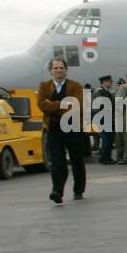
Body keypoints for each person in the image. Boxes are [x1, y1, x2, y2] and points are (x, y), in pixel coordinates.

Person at [36, 58, 87, 203]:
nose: (58, 70)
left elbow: (78, 105)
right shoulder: (44, 86)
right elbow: (41, 105)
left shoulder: (76, 86)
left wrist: (53, 106)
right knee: (57, 161)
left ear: (66, 70)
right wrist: (64, 104)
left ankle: (78, 190)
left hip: (73, 127)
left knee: (77, 160)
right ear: (51, 71)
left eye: (61, 67)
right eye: (55, 68)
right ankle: (57, 190)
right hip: (53, 129)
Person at [92, 75, 116, 165]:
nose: (111, 83)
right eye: (109, 81)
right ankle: (105, 158)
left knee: (109, 139)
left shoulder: (106, 92)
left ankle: (106, 157)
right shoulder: (100, 92)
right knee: (107, 138)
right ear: (103, 82)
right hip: (103, 118)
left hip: (107, 118)